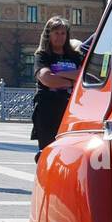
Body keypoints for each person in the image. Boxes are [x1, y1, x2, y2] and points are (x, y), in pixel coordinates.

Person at [30, 16, 83, 156]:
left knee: (69, 152)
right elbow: (46, 79)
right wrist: (72, 81)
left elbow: (83, 76)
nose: (60, 37)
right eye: (56, 33)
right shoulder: (42, 56)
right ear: (48, 34)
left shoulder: (75, 56)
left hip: (70, 110)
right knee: (48, 152)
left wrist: (58, 73)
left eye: (63, 33)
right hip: (47, 110)